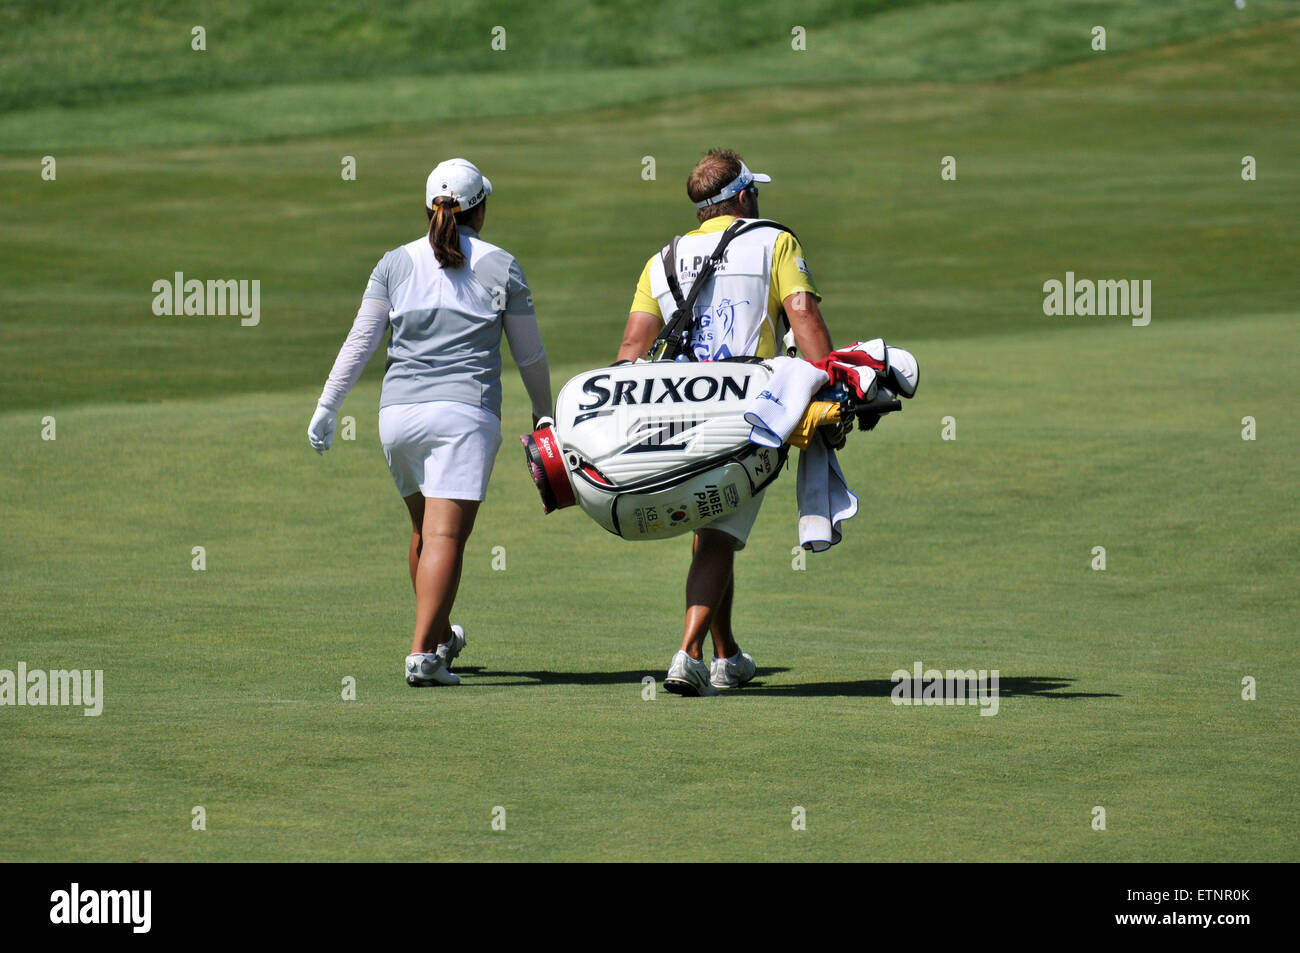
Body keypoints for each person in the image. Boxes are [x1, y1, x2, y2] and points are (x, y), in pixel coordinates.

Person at [308, 158, 552, 687]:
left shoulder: (394, 263)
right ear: (480, 210)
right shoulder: (501, 264)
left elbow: (361, 341)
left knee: (424, 529)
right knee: (446, 535)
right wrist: (543, 412)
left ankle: (440, 634)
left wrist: (328, 405)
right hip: (464, 415)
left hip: (397, 417)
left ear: (429, 209)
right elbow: (529, 356)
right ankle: (422, 655)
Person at [617, 149, 834, 696]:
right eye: (754, 192)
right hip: (749, 410)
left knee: (714, 524)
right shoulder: (774, 239)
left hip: (677, 412)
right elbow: (802, 313)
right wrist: (828, 384)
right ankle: (687, 654)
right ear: (742, 197)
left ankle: (726, 653)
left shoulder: (661, 257)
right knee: (717, 532)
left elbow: (630, 351)